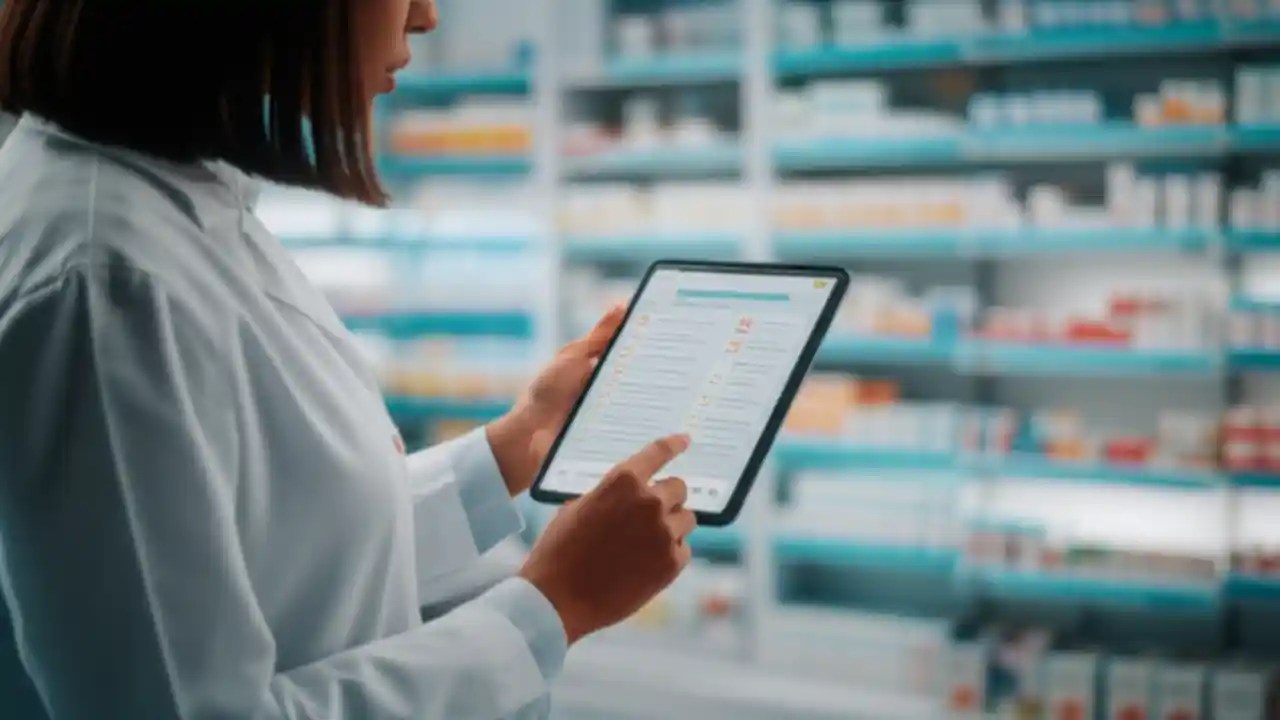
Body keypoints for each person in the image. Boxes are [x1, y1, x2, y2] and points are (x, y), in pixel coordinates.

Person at [0, 1, 698, 718]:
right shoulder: (109, 284)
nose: (426, 17)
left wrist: (513, 448)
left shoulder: (183, 208)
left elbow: (290, 561)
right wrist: (550, 607)